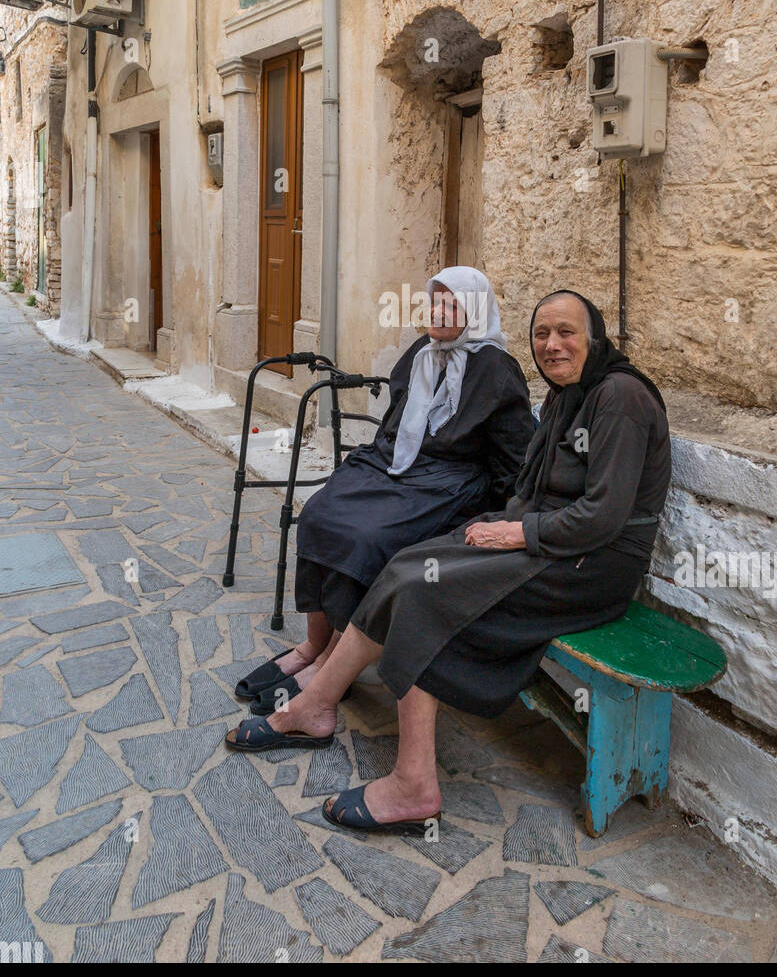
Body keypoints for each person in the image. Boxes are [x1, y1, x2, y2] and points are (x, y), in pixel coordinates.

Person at [225, 289, 671, 839]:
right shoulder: (567, 396)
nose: (551, 345)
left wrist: (515, 531)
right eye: (541, 335)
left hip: (588, 567)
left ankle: (415, 786)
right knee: (409, 564)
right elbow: (529, 484)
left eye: (566, 333)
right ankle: (315, 706)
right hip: (547, 545)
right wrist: (493, 529)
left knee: (425, 595)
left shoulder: (620, 398)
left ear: (595, 337)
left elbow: (602, 518)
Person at [235, 265, 535, 714]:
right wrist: (376, 462)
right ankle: (312, 646)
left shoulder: (496, 369)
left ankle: (335, 664)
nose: (438, 310)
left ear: (474, 312)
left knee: (366, 538)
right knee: (320, 512)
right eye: (435, 300)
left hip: (448, 481)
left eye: (452, 304)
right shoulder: (421, 351)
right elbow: (396, 421)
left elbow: (514, 454)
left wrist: (502, 516)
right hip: (395, 462)